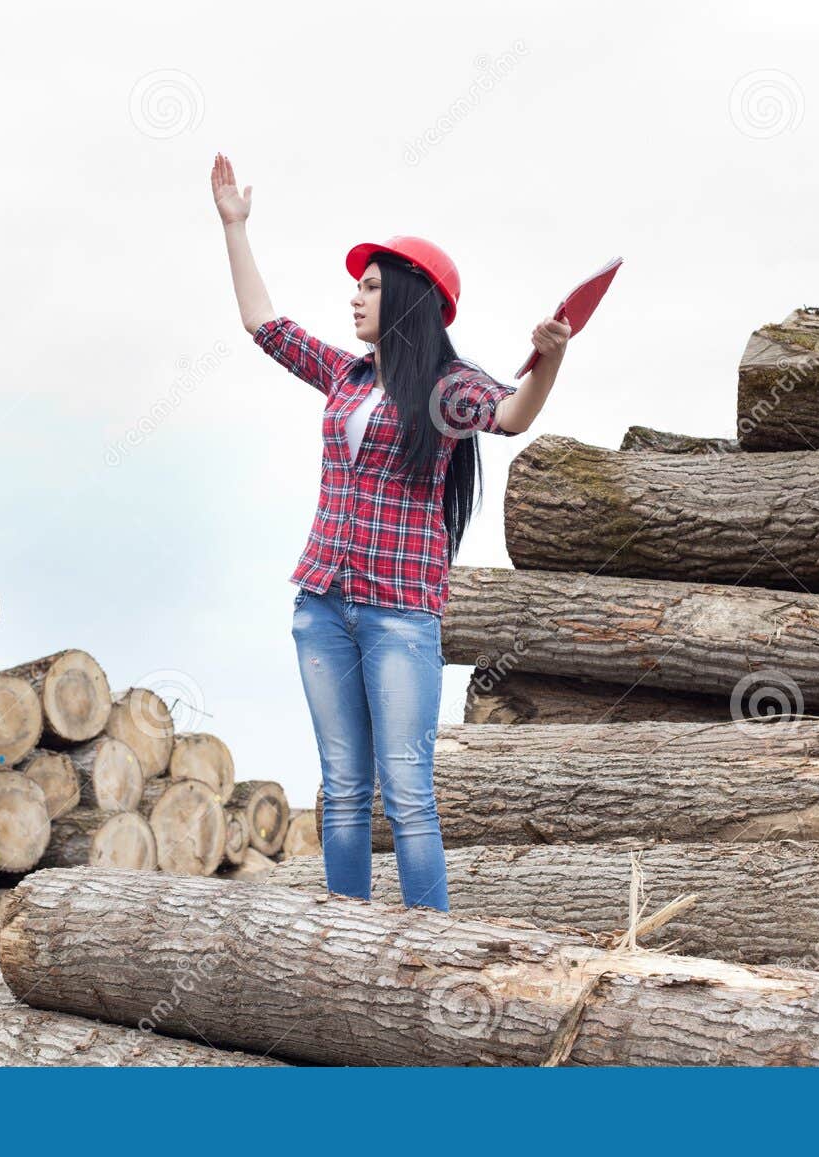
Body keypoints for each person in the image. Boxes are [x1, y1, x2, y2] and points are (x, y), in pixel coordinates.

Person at [210, 152, 571, 911]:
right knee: (341, 785)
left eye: (371, 286)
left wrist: (552, 359)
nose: (355, 297)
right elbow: (262, 325)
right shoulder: (345, 377)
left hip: (401, 613)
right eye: (357, 285)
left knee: (406, 788)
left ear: (409, 298)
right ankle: (347, 939)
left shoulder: (447, 391)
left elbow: (512, 414)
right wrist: (234, 226)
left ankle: (429, 946)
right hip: (321, 604)